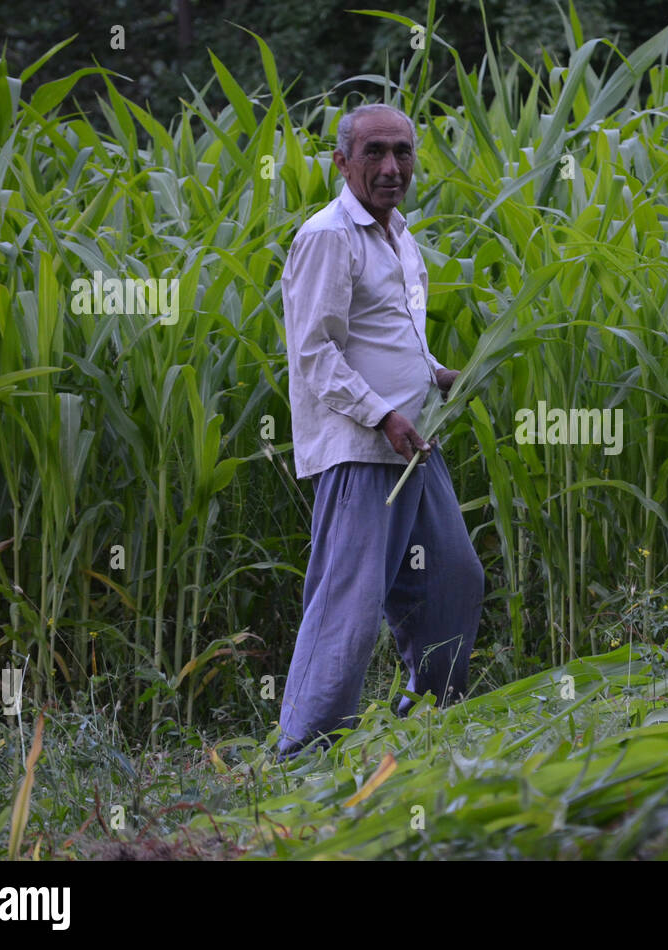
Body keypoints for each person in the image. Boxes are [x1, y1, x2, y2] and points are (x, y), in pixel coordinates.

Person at [275, 103, 484, 760]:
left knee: (455, 577)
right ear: (342, 162)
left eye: (403, 152)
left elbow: (394, 339)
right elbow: (314, 353)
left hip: (415, 445)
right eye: (375, 154)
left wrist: (439, 375)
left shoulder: (399, 234)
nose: (392, 167)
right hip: (362, 449)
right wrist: (382, 413)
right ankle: (303, 750)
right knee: (349, 605)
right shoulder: (328, 236)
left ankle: (425, 715)